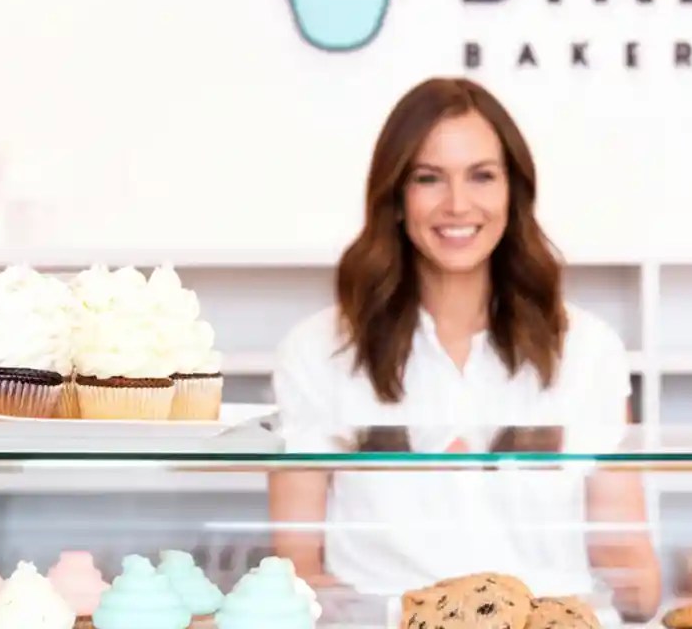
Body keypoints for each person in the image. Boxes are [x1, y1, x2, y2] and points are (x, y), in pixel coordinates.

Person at [268, 76, 661, 620]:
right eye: (429, 178)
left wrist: (641, 593)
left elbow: (626, 563)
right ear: (396, 199)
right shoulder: (316, 350)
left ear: (512, 193)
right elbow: (295, 569)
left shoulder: (588, 349)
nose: (458, 204)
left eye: (482, 176)